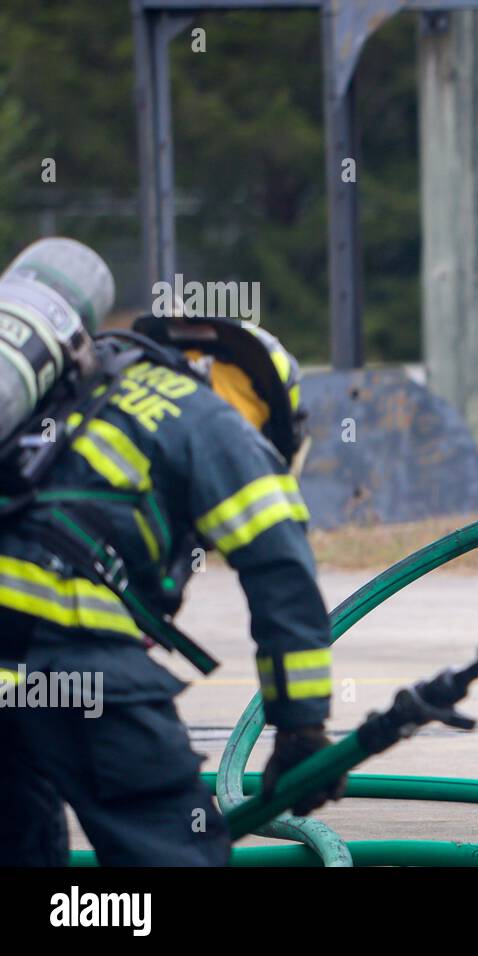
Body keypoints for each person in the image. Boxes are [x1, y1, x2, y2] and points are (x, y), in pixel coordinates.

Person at [0, 238, 342, 865]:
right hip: (76, 659)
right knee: (173, 851)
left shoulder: (77, 394)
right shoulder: (214, 422)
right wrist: (302, 727)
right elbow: (281, 568)